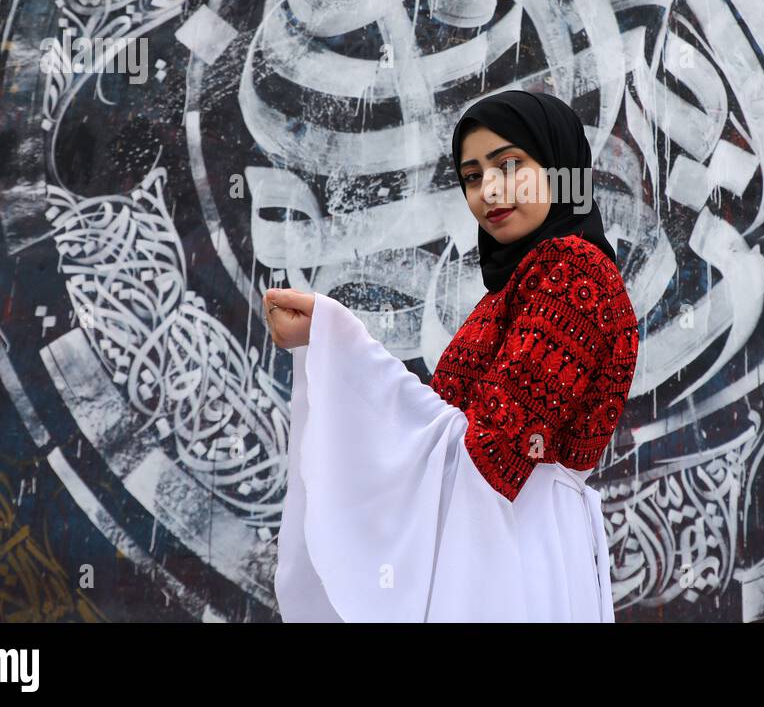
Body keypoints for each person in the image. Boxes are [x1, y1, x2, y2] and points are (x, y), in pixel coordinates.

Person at [266, 89, 640, 622]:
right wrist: (329, 339)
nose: (490, 190)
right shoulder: (520, 284)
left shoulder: (572, 270)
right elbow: (449, 435)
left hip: (514, 546)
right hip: (503, 537)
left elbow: (494, 449)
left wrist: (340, 341)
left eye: (510, 164)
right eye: (471, 176)